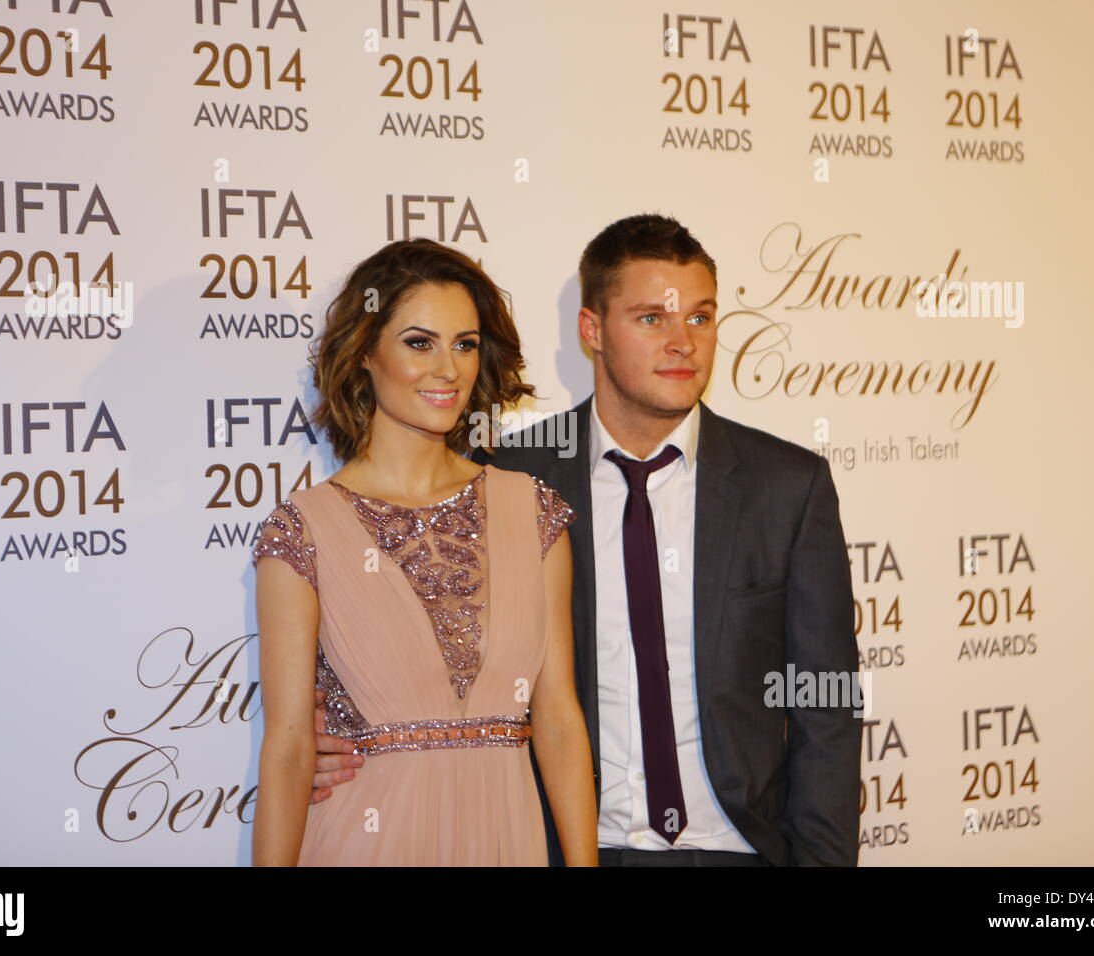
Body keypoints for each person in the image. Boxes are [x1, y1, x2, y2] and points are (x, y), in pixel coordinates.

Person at [310, 214, 861, 867]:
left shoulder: (787, 486)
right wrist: (335, 725)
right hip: (569, 847)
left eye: (702, 318)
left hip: (738, 848)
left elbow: (825, 696)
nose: (683, 342)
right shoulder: (512, 481)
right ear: (592, 330)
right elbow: (426, 650)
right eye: (652, 319)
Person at [250, 238, 598, 866]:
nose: (449, 369)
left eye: (465, 344)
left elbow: (559, 722)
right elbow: (289, 748)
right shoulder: (301, 531)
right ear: (364, 354)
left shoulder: (534, 512)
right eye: (419, 342)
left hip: (506, 841)